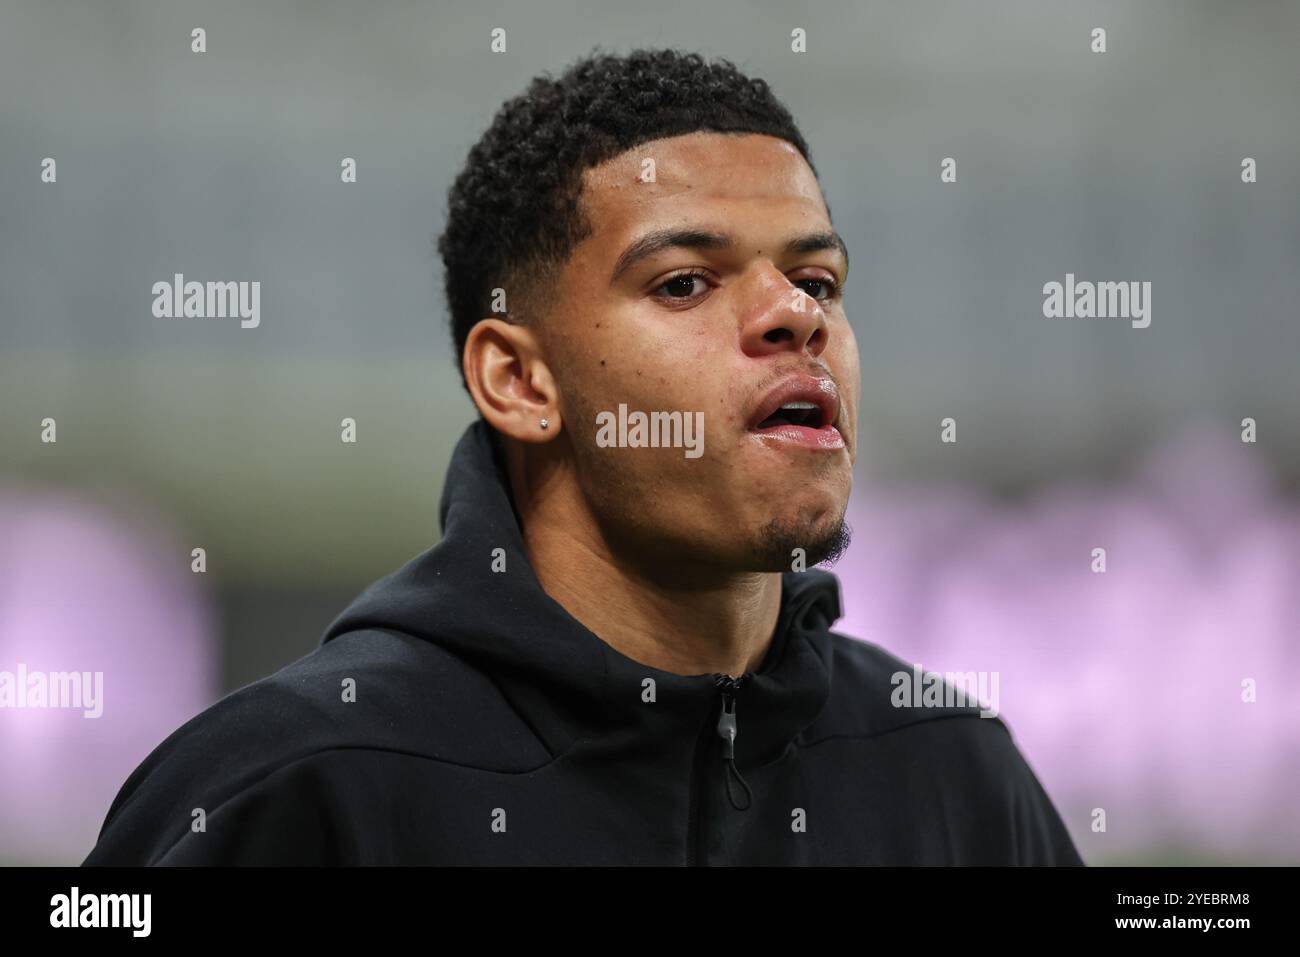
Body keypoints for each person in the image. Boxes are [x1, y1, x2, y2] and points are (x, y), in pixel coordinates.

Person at [84, 48, 1083, 865]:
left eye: (816, 280)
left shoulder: (953, 779)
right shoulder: (298, 788)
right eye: (687, 282)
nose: (793, 317)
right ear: (520, 382)